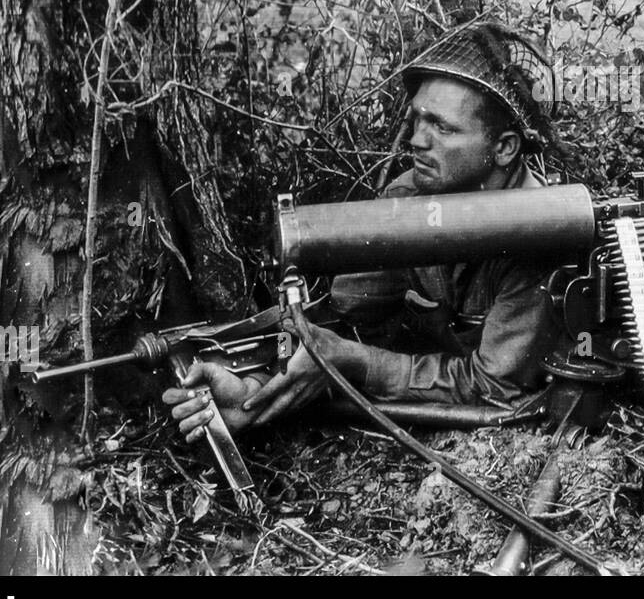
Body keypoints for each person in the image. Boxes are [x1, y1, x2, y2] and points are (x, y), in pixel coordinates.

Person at [164, 22, 568, 444]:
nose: (415, 140)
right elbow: (335, 320)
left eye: (443, 129)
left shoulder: (541, 238)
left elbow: (494, 389)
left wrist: (358, 363)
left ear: (504, 148)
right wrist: (256, 382)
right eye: (417, 119)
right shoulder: (412, 196)